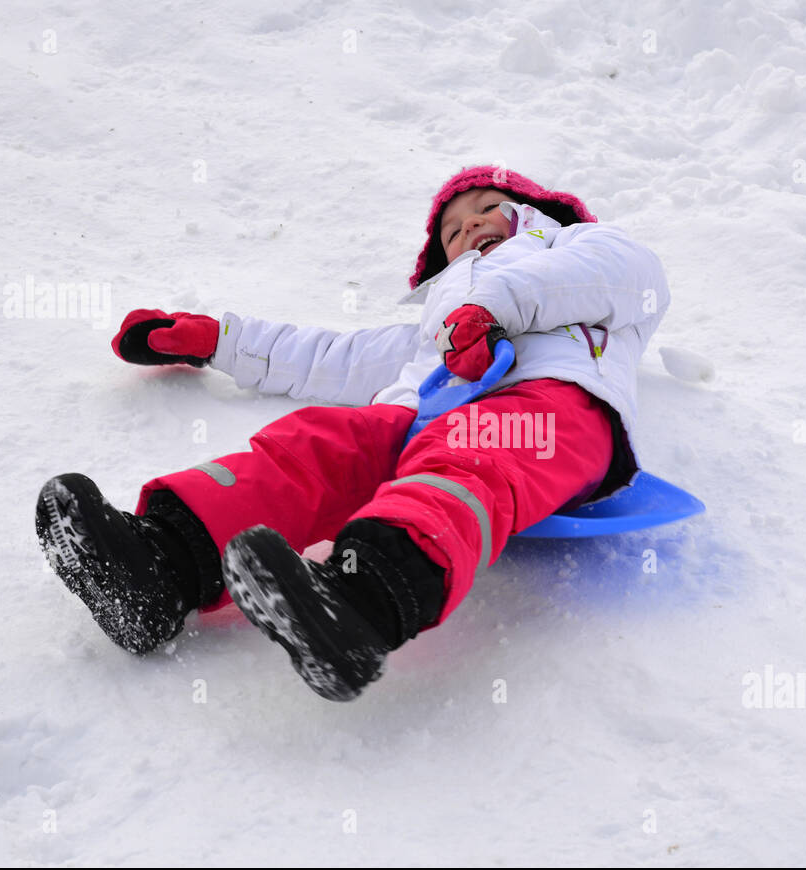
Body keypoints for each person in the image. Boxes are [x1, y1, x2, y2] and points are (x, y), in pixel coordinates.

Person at [35, 165, 671, 701]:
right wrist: (214, 340)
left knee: (473, 456)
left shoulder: (587, 255)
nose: (468, 225)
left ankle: (362, 602)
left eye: (487, 207)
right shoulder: (432, 329)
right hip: (418, 415)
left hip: (551, 407)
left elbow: (622, 275)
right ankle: (159, 565)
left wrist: (493, 309)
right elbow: (324, 356)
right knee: (318, 449)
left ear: (538, 215)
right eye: (451, 230)